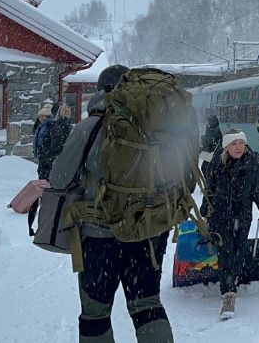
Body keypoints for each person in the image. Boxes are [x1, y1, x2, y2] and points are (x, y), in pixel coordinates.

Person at [48, 64, 175, 343]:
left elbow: (58, 178)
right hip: (147, 234)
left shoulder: (89, 127)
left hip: (99, 237)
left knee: (95, 314)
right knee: (147, 306)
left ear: (99, 90)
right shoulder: (156, 126)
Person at [201, 131, 259, 319]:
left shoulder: (252, 163)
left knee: (238, 251)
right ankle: (228, 294)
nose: (239, 147)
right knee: (225, 252)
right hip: (220, 215)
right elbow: (209, 190)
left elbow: (257, 189)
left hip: (242, 215)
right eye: (234, 143)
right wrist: (205, 212)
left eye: (242, 142)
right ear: (226, 146)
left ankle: (231, 279)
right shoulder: (216, 164)